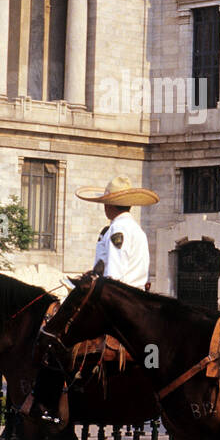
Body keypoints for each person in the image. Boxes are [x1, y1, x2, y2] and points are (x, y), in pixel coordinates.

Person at [31, 175, 160, 421]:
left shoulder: (117, 230)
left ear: (109, 205)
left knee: (57, 337)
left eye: (105, 202)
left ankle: (47, 404)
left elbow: (112, 275)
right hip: (135, 299)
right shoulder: (137, 230)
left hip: (115, 302)